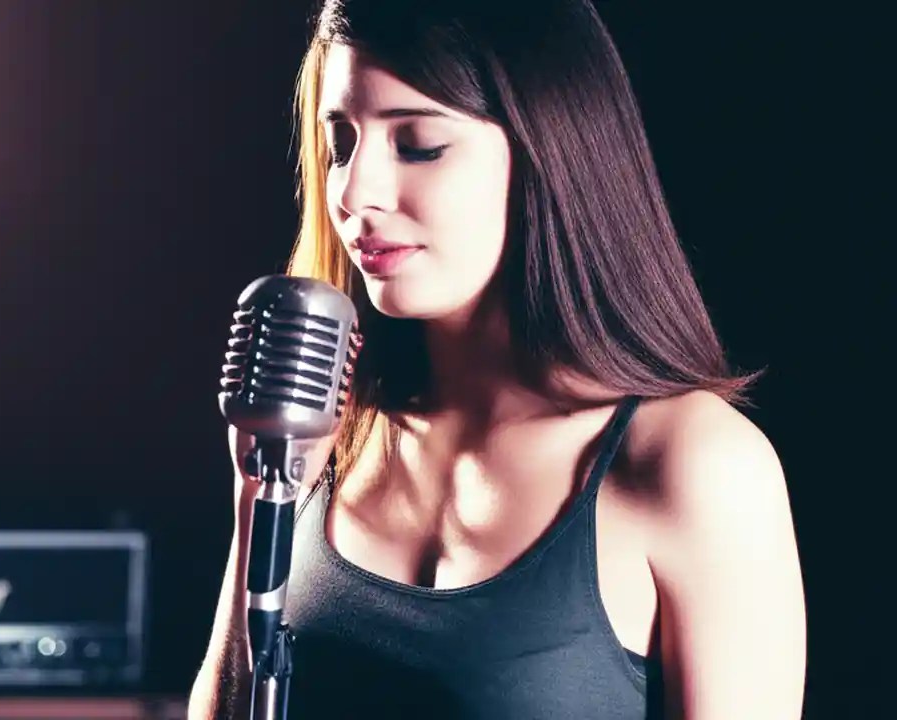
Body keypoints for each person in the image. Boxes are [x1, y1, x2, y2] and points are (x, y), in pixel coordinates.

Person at [189, 0, 806, 717]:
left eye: (417, 143)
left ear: (550, 153)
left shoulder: (694, 463)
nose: (355, 193)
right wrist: (259, 496)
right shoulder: (324, 432)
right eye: (342, 143)